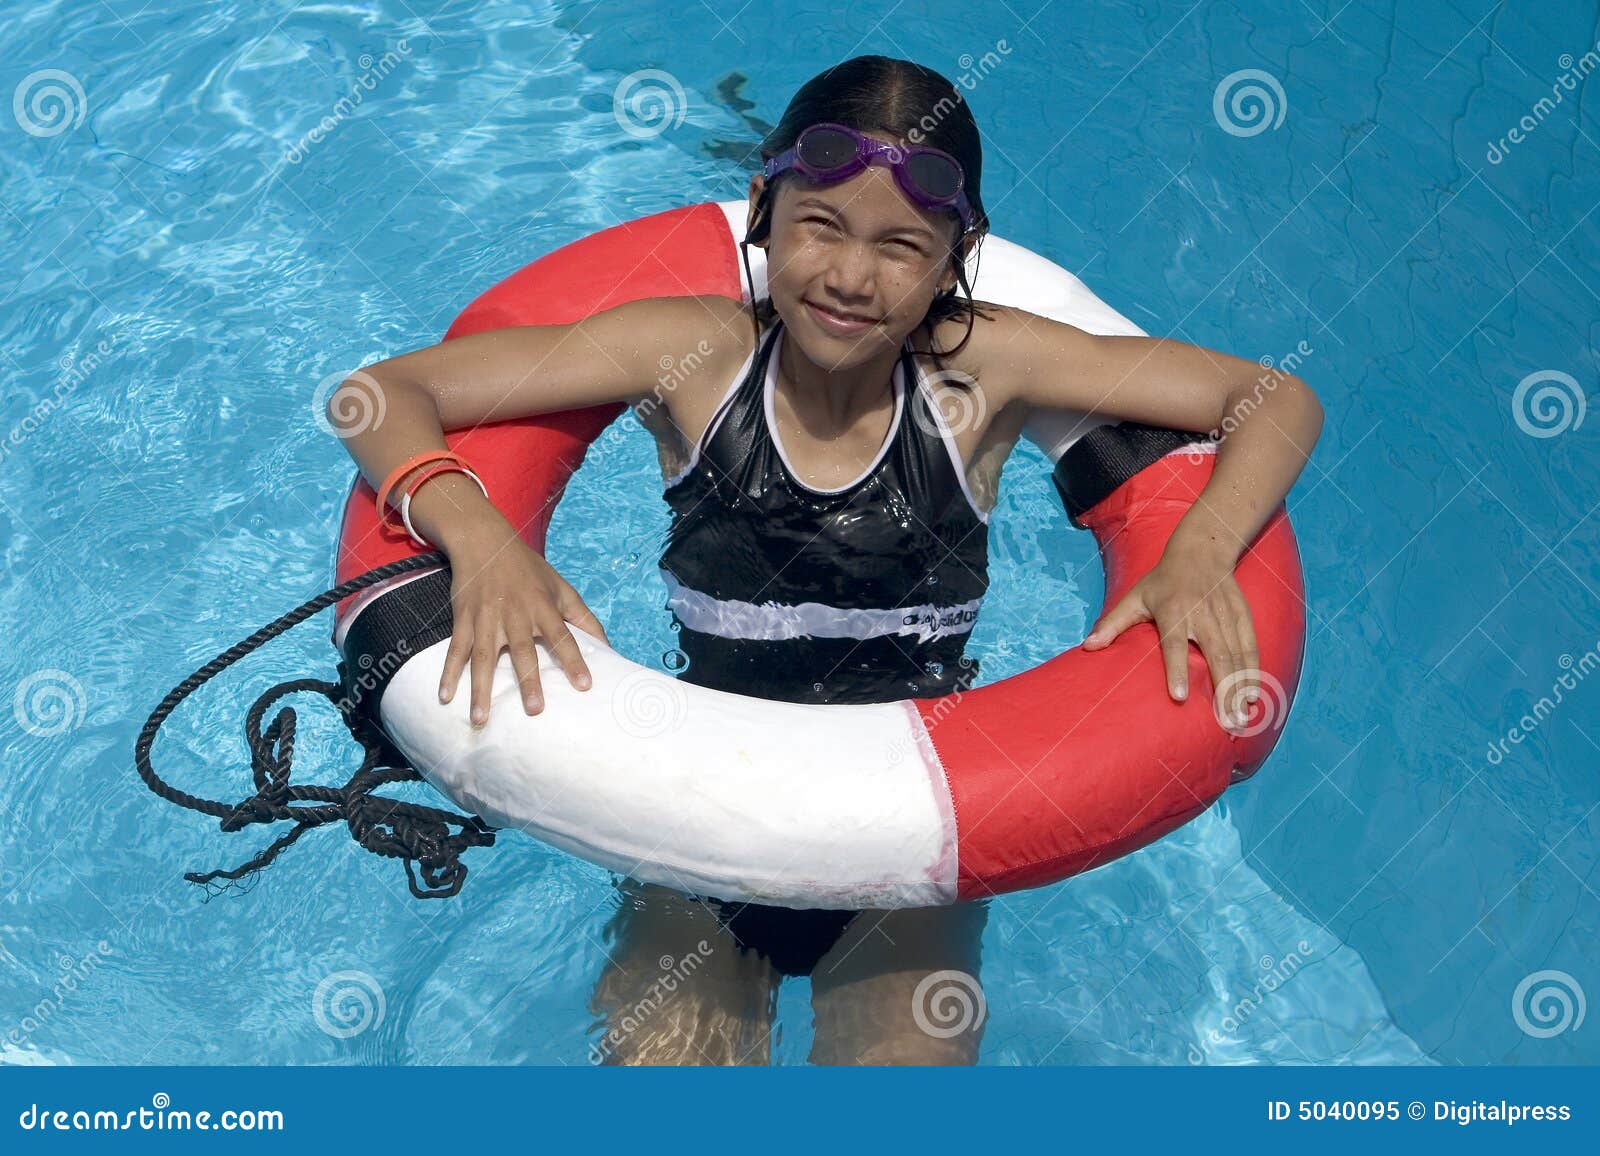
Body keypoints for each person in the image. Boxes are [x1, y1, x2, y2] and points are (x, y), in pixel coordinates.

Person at [328, 55, 1322, 1065]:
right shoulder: (692, 354)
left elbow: (1274, 399)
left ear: (954, 258)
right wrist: (481, 536)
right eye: (820, 227)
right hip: (695, 821)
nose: (851, 278)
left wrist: (1200, 544)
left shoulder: (988, 366)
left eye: (901, 247)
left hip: (908, 856)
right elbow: (376, 394)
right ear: (761, 210)